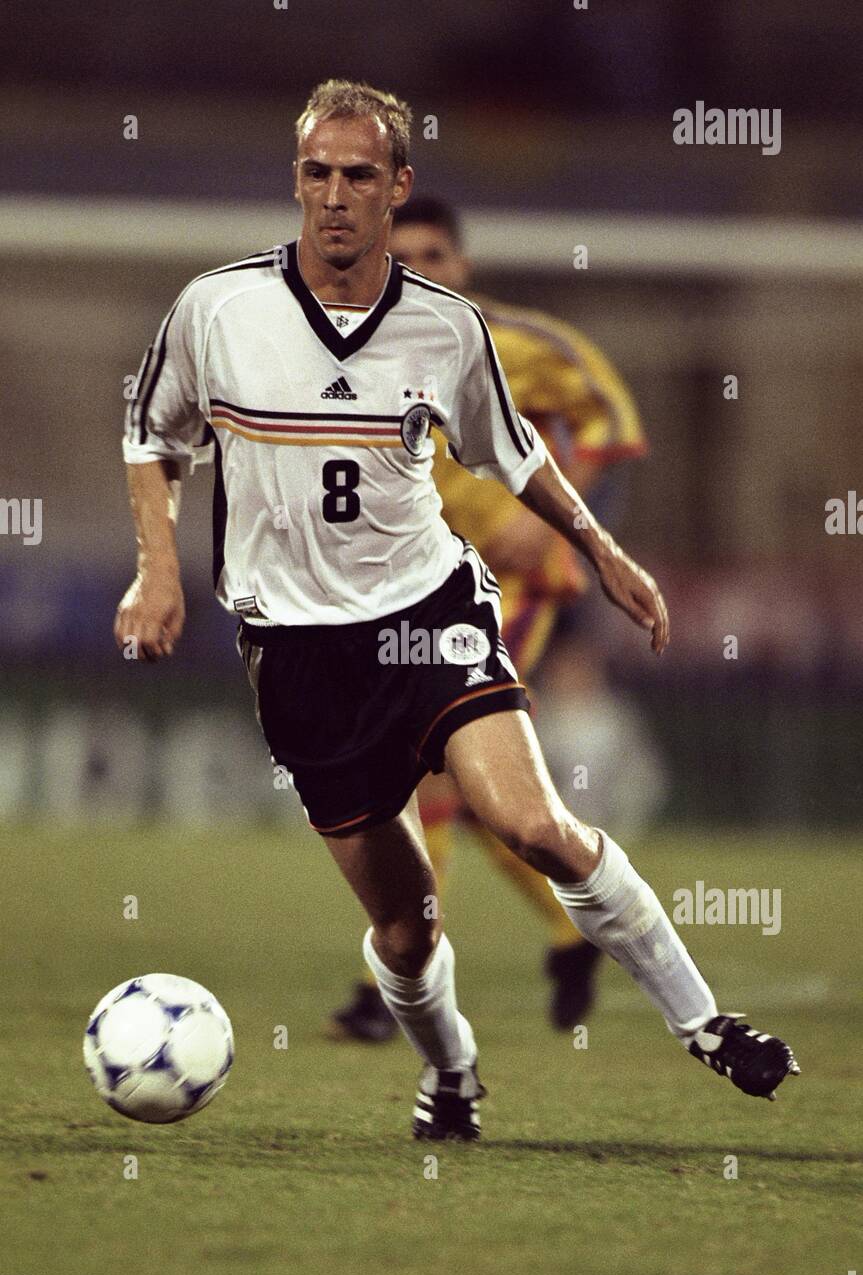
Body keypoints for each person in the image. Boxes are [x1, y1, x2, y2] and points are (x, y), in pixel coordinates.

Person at [115, 79, 798, 1141]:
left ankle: (704, 1023)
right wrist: (156, 572)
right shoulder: (217, 311)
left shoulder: (445, 329)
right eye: (314, 174)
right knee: (402, 925)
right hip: (297, 655)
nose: (333, 197)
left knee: (534, 825)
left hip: (429, 611)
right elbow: (150, 440)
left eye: (356, 176)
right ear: (295, 179)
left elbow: (515, 455)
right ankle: (452, 1073)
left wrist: (602, 549)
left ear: (397, 187)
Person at [330, 195, 648, 1042]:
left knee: (427, 766)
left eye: (437, 255)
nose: (423, 270)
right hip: (411, 587)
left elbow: (611, 423)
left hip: (506, 588)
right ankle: (569, 928)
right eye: (408, 256)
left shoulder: (521, 343)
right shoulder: (359, 356)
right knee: (466, 795)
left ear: (463, 265)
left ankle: (389, 989)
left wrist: (556, 525)